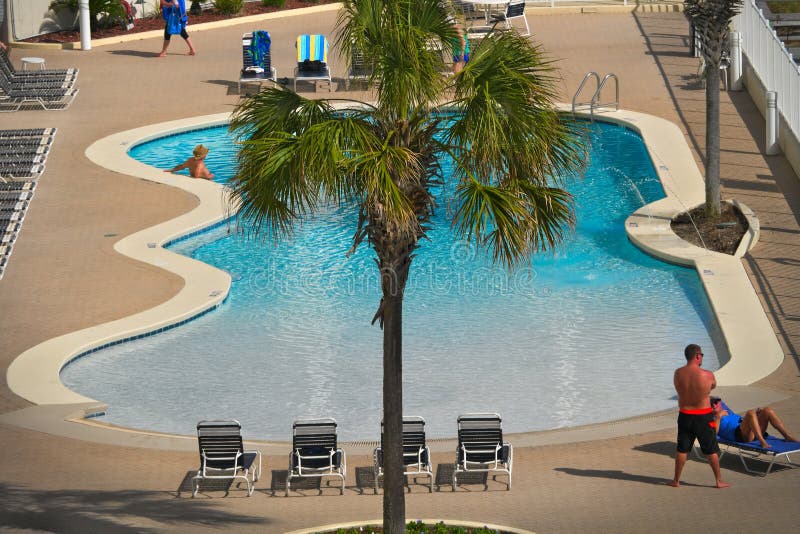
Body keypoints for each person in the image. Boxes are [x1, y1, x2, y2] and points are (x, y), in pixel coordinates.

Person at [668, 343, 730, 488]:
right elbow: (712, 386)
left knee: (682, 449)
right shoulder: (707, 375)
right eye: (701, 355)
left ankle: (676, 481)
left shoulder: (678, 373)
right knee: (711, 449)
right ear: (697, 356)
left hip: (685, 415)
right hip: (703, 416)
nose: (702, 357)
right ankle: (719, 481)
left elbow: (679, 388)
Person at [713, 397, 798, 447]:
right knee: (750, 413)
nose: (714, 405)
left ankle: (787, 436)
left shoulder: (728, 412)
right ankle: (762, 441)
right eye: (711, 405)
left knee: (767, 410)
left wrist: (756, 416)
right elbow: (712, 435)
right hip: (741, 436)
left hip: (750, 430)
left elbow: (742, 420)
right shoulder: (712, 418)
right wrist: (718, 417)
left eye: (716, 403)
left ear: (720, 404)